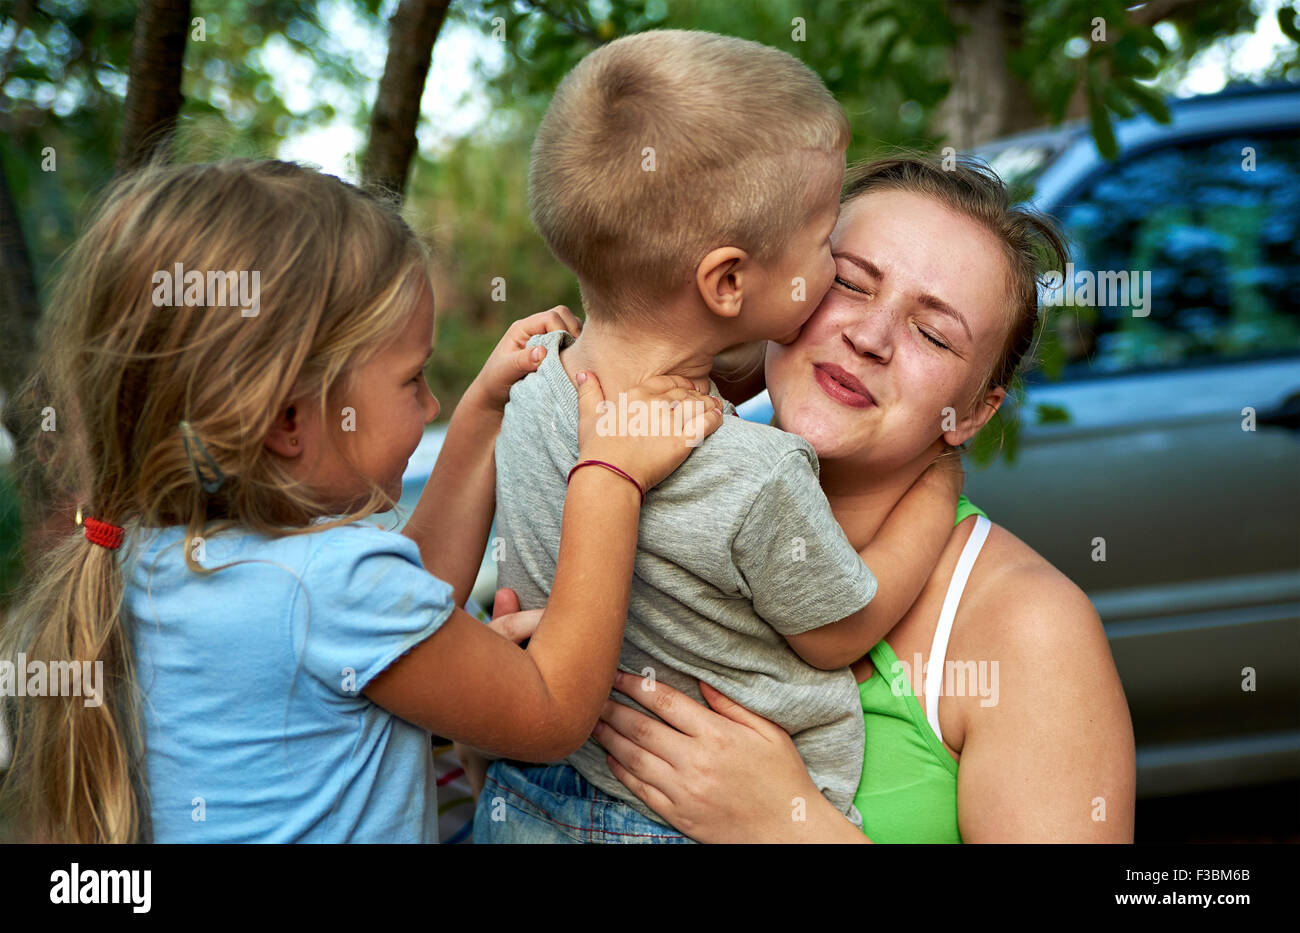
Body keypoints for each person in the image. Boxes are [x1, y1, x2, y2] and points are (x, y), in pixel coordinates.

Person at [0, 158, 721, 843]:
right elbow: (553, 707)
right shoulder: (327, 584)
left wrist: (480, 412)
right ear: (289, 420)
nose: (429, 400)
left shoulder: (144, 552)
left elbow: (413, 595)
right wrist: (608, 477)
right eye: (413, 380)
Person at [470, 30, 960, 845]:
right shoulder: (754, 472)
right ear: (728, 281)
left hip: (526, 795)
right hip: (684, 821)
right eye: (823, 241)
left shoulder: (531, 385)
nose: (833, 259)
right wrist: (940, 482)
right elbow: (843, 626)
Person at [590, 156, 1138, 843]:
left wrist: (783, 826)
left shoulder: (1029, 628)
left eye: (933, 334)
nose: (869, 338)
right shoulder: (648, 484)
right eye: (848, 283)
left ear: (973, 413)